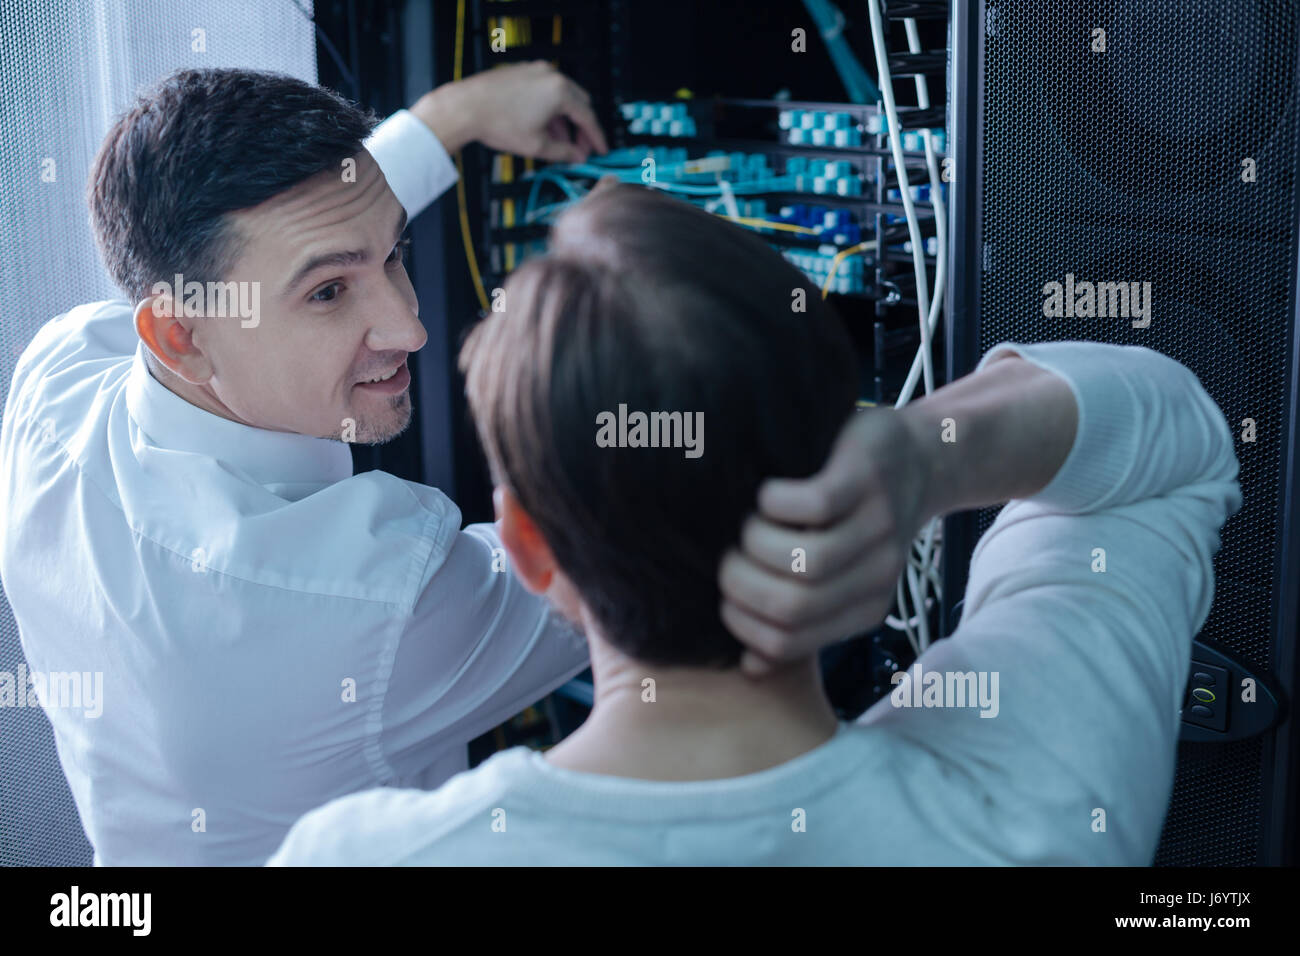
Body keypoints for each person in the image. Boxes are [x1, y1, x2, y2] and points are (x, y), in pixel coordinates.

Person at [268, 182, 1241, 866]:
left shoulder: (360, 855)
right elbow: (1172, 434)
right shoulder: (1036, 809)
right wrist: (923, 455)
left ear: (524, 544)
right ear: (845, 453)